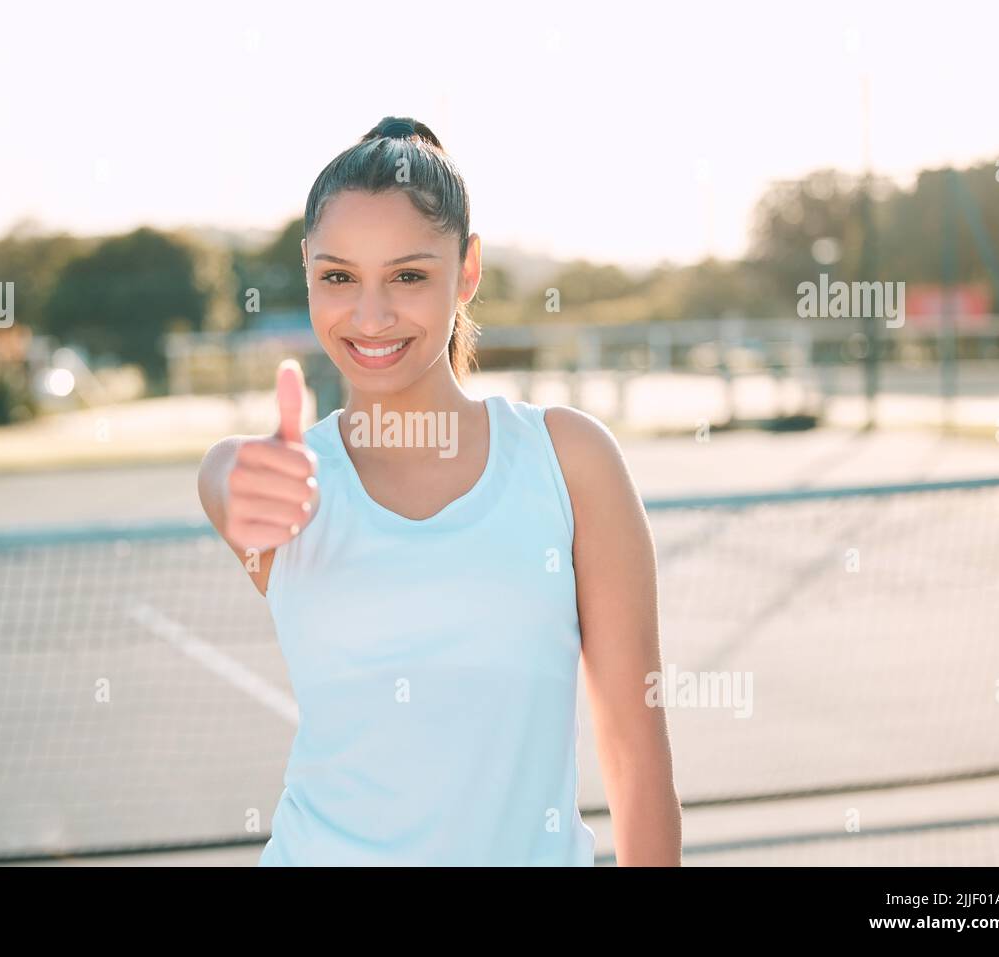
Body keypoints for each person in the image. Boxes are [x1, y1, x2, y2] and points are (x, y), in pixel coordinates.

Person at [198, 116, 681, 866]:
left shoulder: (571, 461)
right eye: (338, 276)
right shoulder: (287, 481)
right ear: (307, 270)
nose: (371, 315)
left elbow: (636, 752)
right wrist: (227, 478)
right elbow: (226, 479)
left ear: (469, 268)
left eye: (409, 275)